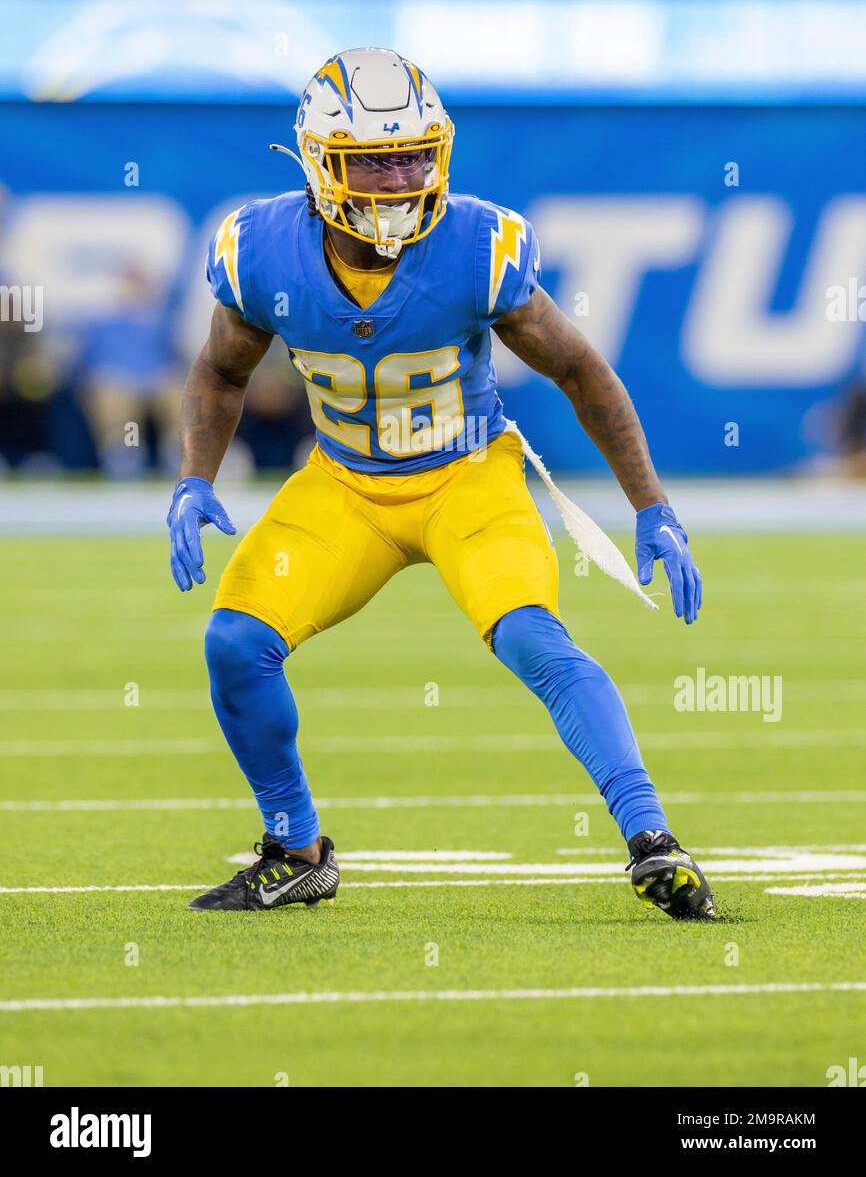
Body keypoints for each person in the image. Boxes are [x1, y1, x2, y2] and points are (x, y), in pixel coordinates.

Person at [167, 47, 714, 920]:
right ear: (318, 161)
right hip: (345, 484)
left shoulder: (473, 246)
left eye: (414, 154)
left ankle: (652, 838)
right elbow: (221, 373)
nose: (398, 177)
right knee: (233, 643)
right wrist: (194, 479)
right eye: (373, 160)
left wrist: (653, 506)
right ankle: (296, 849)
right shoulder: (263, 248)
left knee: (536, 638)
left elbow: (581, 371)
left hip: (468, 475)